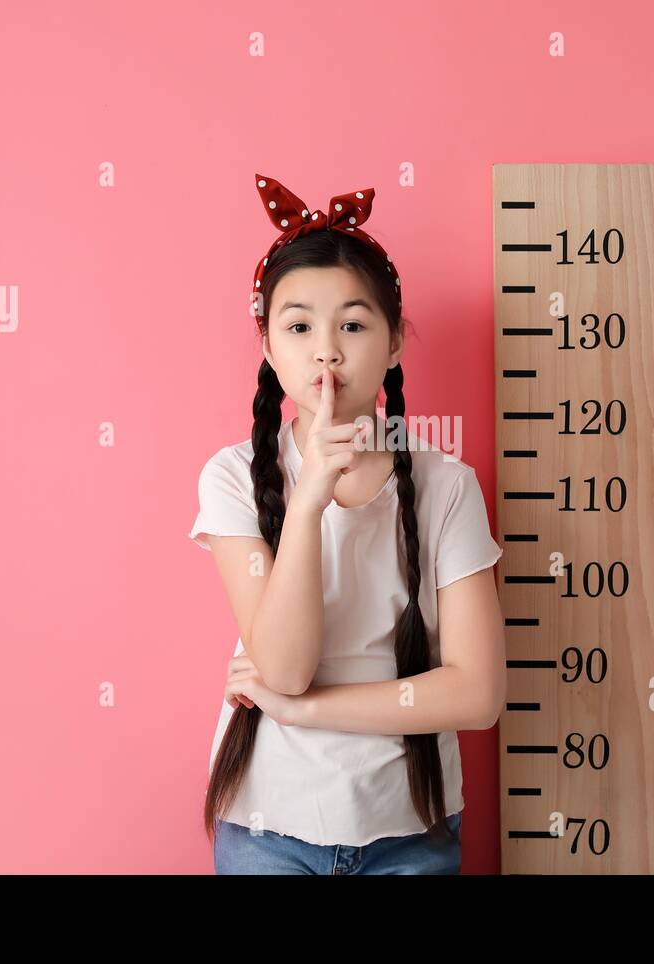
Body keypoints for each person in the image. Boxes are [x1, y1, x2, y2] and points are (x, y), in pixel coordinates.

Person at [188, 174, 506, 874]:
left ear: (395, 344)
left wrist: (304, 713)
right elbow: (285, 669)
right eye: (299, 327)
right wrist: (306, 506)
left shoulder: (448, 486)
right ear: (268, 348)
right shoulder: (231, 476)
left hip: (411, 829)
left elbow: (478, 695)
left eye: (354, 325)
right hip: (269, 826)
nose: (326, 351)